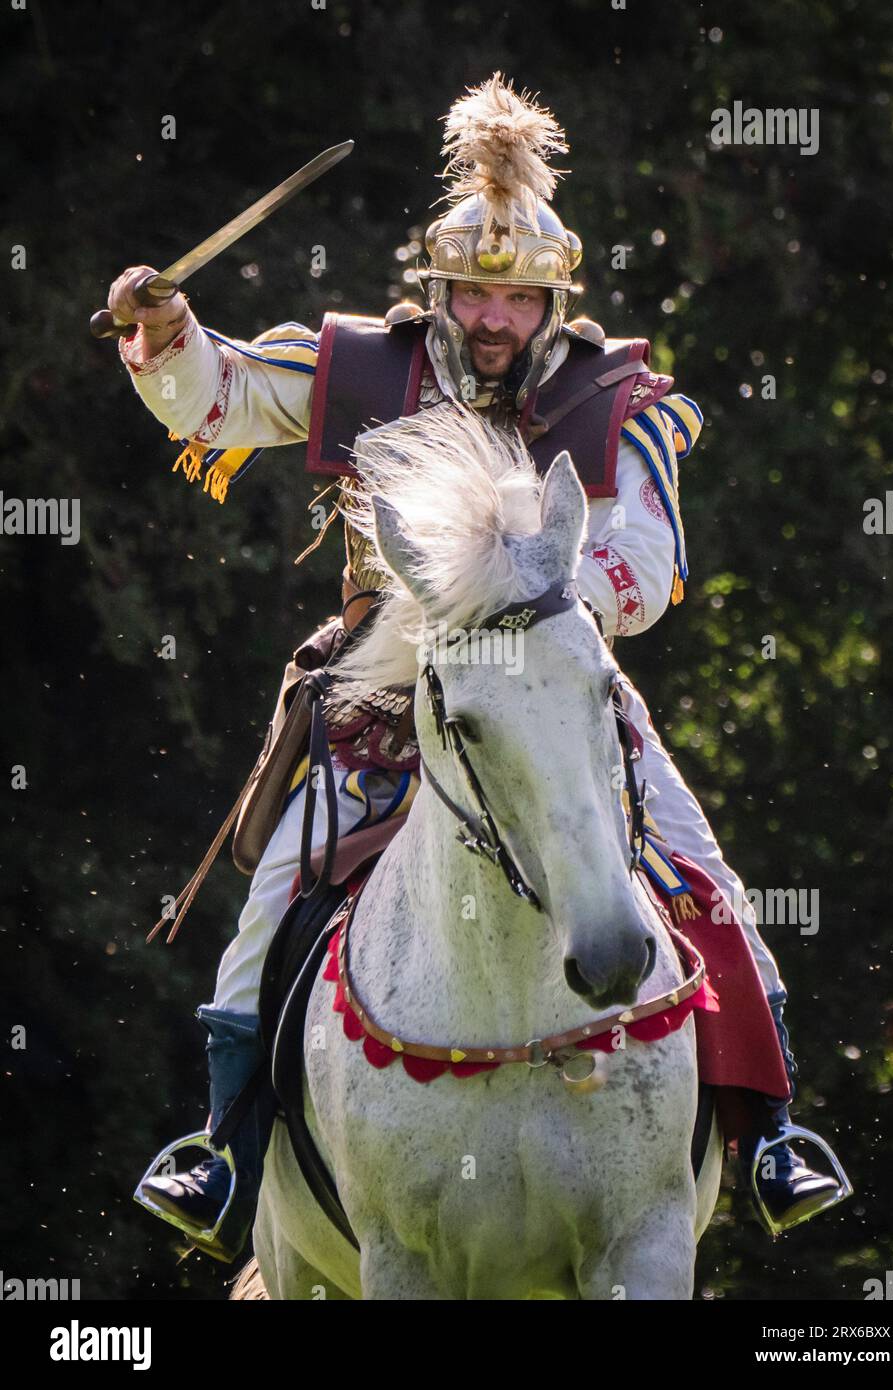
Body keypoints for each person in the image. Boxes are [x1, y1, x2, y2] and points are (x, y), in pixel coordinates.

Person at [111, 74, 846, 1261]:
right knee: (269, 912)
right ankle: (223, 1150)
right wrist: (164, 334)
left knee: (708, 882)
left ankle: (770, 1138)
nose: (494, 316)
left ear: (552, 302)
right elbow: (222, 397)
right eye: (474, 292)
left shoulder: (620, 400)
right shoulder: (361, 367)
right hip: (384, 694)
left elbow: (650, 562)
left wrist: (537, 609)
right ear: (438, 292)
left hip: (559, 685)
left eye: (517, 296)